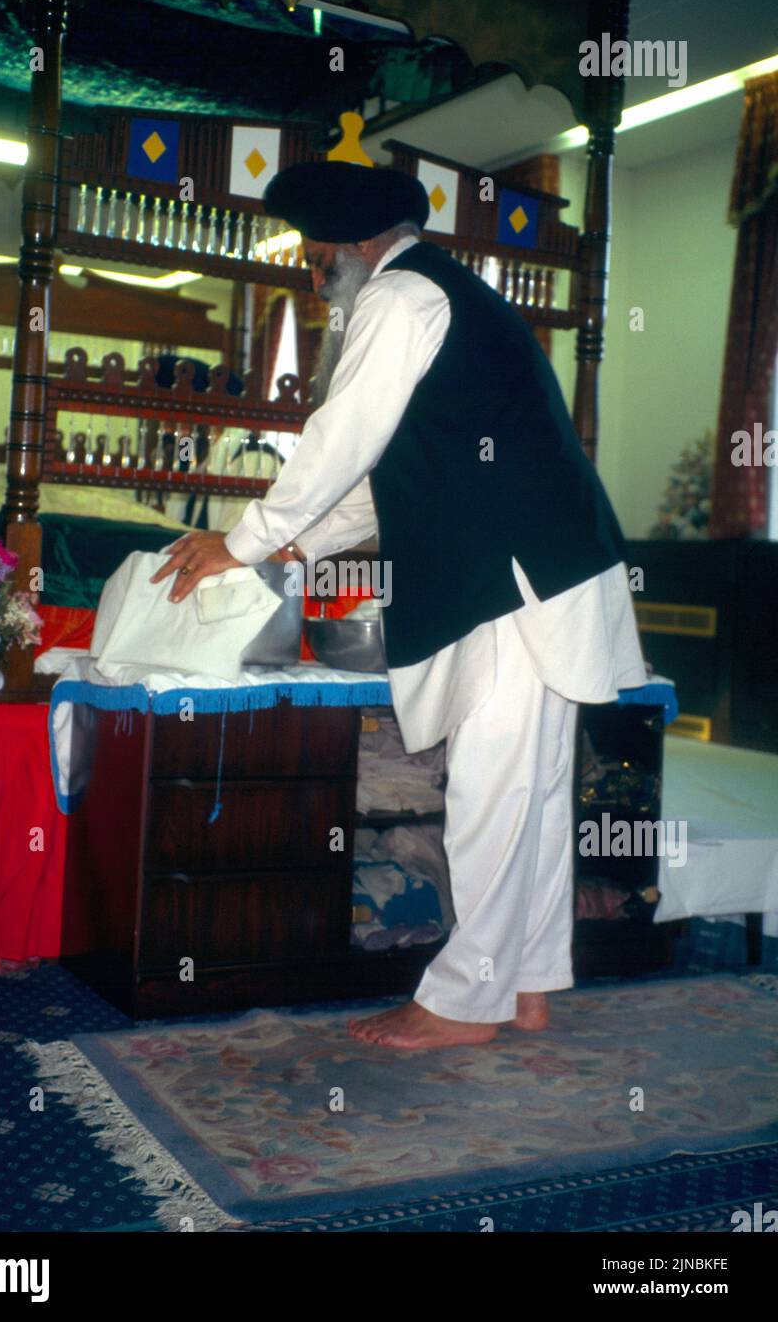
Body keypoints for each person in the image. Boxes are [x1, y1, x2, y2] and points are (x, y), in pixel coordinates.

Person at [151, 161, 647, 1051]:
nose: (312, 280)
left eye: (313, 261)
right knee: (528, 790)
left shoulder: (398, 299)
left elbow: (341, 441)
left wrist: (242, 539)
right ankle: (527, 985)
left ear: (346, 248)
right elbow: (387, 473)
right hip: (544, 566)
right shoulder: (447, 293)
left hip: (513, 577)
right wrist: (286, 542)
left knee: (495, 789)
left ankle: (463, 1002)